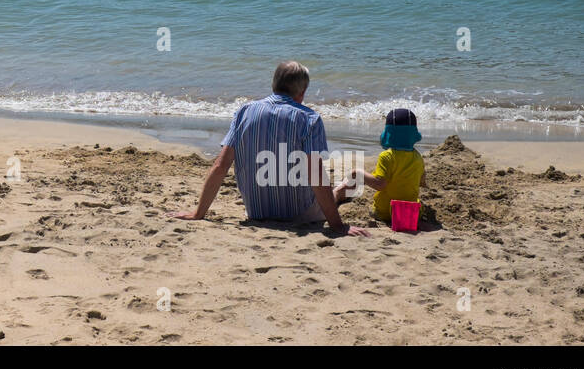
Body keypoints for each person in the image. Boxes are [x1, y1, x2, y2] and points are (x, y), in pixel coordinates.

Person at [171, 61, 368, 237]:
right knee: (333, 195)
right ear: (302, 92)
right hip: (299, 215)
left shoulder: (244, 112)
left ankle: (340, 191)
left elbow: (220, 166)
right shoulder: (310, 119)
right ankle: (342, 190)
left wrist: (199, 213)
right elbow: (315, 175)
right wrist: (337, 225)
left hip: (258, 212)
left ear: (273, 85)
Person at [339, 108, 425, 224]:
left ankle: (339, 194)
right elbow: (422, 181)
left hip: (385, 212)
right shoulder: (418, 157)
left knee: (357, 175)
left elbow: (379, 184)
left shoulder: (387, 156)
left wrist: (358, 172)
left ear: (389, 133)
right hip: (410, 212)